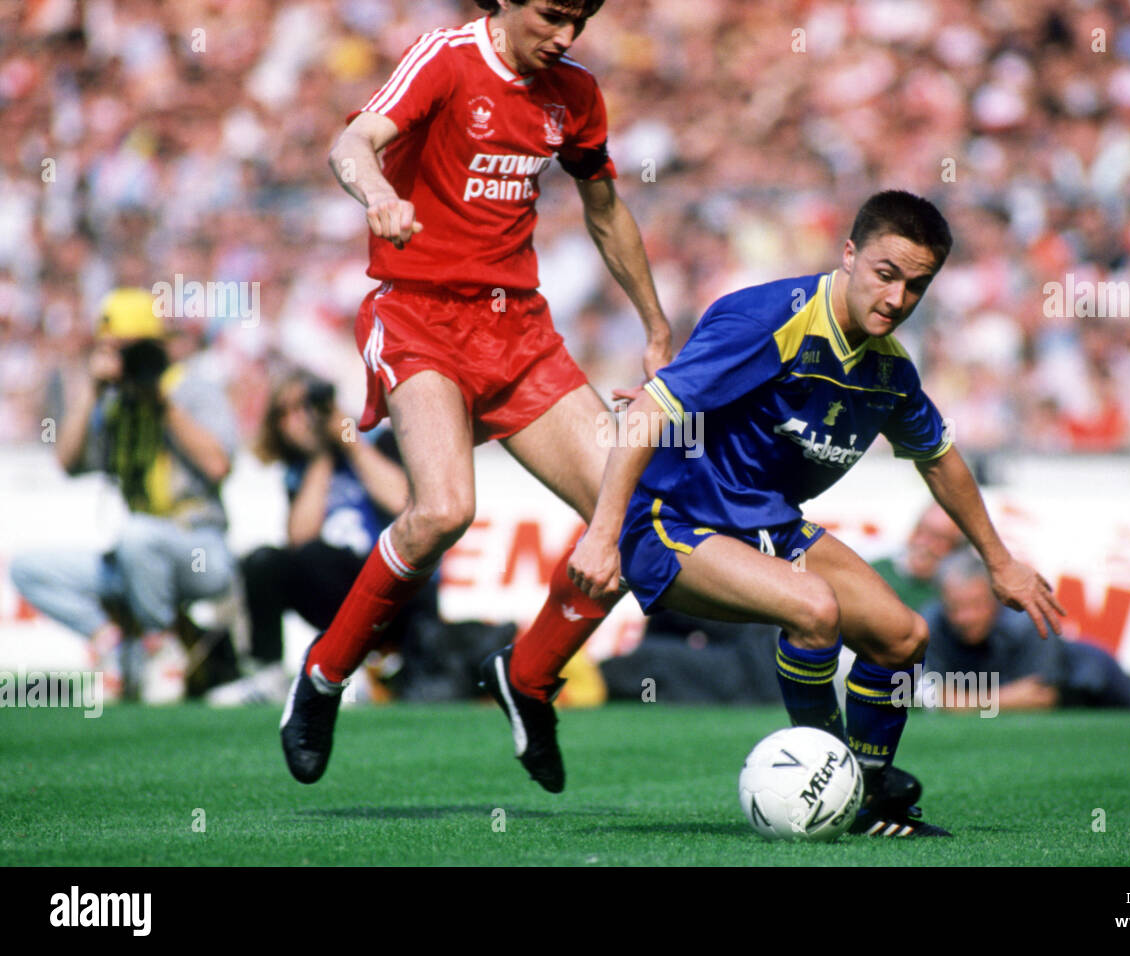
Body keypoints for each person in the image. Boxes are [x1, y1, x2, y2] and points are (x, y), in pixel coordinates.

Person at [565, 190, 1066, 836]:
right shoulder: (771, 318)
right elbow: (648, 413)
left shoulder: (889, 372)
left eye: (916, 286)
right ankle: (838, 786)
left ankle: (867, 787)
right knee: (814, 609)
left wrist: (1001, 563)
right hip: (669, 517)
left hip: (766, 524)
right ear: (849, 254)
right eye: (886, 275)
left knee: (903, 637)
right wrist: (602, 537)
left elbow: (939, 460)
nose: (896, 299)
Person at [280, 0, 672, 785]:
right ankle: (324, 677)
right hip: (421, 318)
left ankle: (525, 679)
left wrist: (656, 327)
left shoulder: (575, 94)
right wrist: (377, 196)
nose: (564, 37)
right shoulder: (447, 58)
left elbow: (603, 209)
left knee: (632, 520)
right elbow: (351, 143)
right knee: (443, 511)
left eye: (581, 22)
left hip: (519, 334)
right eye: (553, 16)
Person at [10, 287, 239, 701]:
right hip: (134, 556)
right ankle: (111, 643)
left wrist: (161, 401)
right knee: (28, 568)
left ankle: (160, 645)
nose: (123, 361)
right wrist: (92, 391)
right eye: (111, 350)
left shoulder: (192, 390)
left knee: (137, 535)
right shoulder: (112, 405)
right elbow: (66, 463)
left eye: (131, 350)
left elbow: (218, 465)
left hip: (199, 549)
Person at [207, 369, 425, 705]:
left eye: (304, 408)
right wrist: (321, 456)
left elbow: (400, 499)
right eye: (285, 413)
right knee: (265, 561)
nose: (298, 420)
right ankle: (268, 675)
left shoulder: (376, 441)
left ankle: (363, 668)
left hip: (391, 582)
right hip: (329, 581)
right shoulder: (300, 470)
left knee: (317, 557)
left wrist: (346, 439)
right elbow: (300, 536)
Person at [922, 549, 1130, 712]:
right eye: (956, 608)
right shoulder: (931, 623)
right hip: (1030, 686)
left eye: (975, 605)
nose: (965, 617)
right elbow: (927, 692)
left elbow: (1040, 697)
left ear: (995, 598)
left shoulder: (1029, 623)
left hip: (1089, 676)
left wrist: (964, 701)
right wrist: (1001, 698)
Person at [870, 503, 964, 612]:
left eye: (939, 538)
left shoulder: (952, 597)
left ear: (955, 548)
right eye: (921, 531)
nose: (924, 543)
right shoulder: (875, 573)